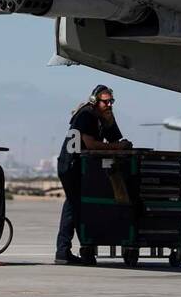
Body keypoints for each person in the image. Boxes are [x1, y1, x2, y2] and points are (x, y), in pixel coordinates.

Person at [55, 84, 131, 265]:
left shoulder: (101, 116)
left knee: (80, 206)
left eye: (111, 101)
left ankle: (84, 249)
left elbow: (115, 140)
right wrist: (117, 147)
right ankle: (64, 251)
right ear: (95, 101)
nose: (109, 105)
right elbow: (90, 144)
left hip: (83, 166)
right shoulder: (86, 114)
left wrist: (112, 125)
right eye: (106, 102)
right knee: (73, 206)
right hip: (71, 164)